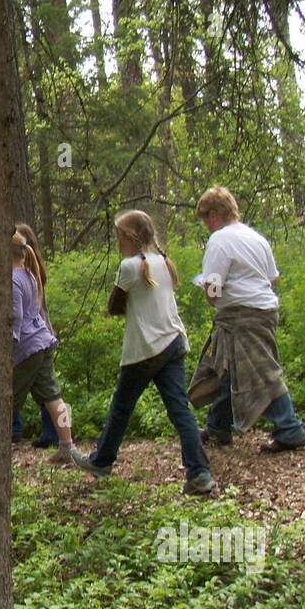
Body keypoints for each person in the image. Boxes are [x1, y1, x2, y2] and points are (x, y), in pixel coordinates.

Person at [70, 211, 218, 495]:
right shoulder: (163, 262)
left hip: (145, 348)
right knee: (179, 410)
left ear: (129, 237)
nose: (117, 242)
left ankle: (101, 461)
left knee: (122, 407)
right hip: (173, 341)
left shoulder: (129, 266)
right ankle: (200, 474)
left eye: (118, 237)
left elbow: (114, 306)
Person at [187, 187, 305, 453]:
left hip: (241, 314)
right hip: (263, 309)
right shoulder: (256, 237)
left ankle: (290, 429)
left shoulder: (219, 240)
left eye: (206, 218)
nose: (206, 225)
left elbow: (214, 289)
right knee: (227, 368)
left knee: (261, 371)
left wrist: (209, 291)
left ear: (215, 214)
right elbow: (272, 278)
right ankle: (219, 427)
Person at [12, 231, 75, 464]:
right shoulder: (30, 274)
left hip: (27, 347)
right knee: (53, 396)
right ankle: (67, 445)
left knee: (6, 397)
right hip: (44, 341)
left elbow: (16, 316)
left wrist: (10, 343)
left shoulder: (13, 279)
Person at [11, 222, 60, 449]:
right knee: (50, 393)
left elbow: (31, 310)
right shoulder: (30, 273)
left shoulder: (26, 274)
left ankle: (49, 433)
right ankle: (58, 436)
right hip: (41, 336)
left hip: (30, 339)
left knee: (14, 390)